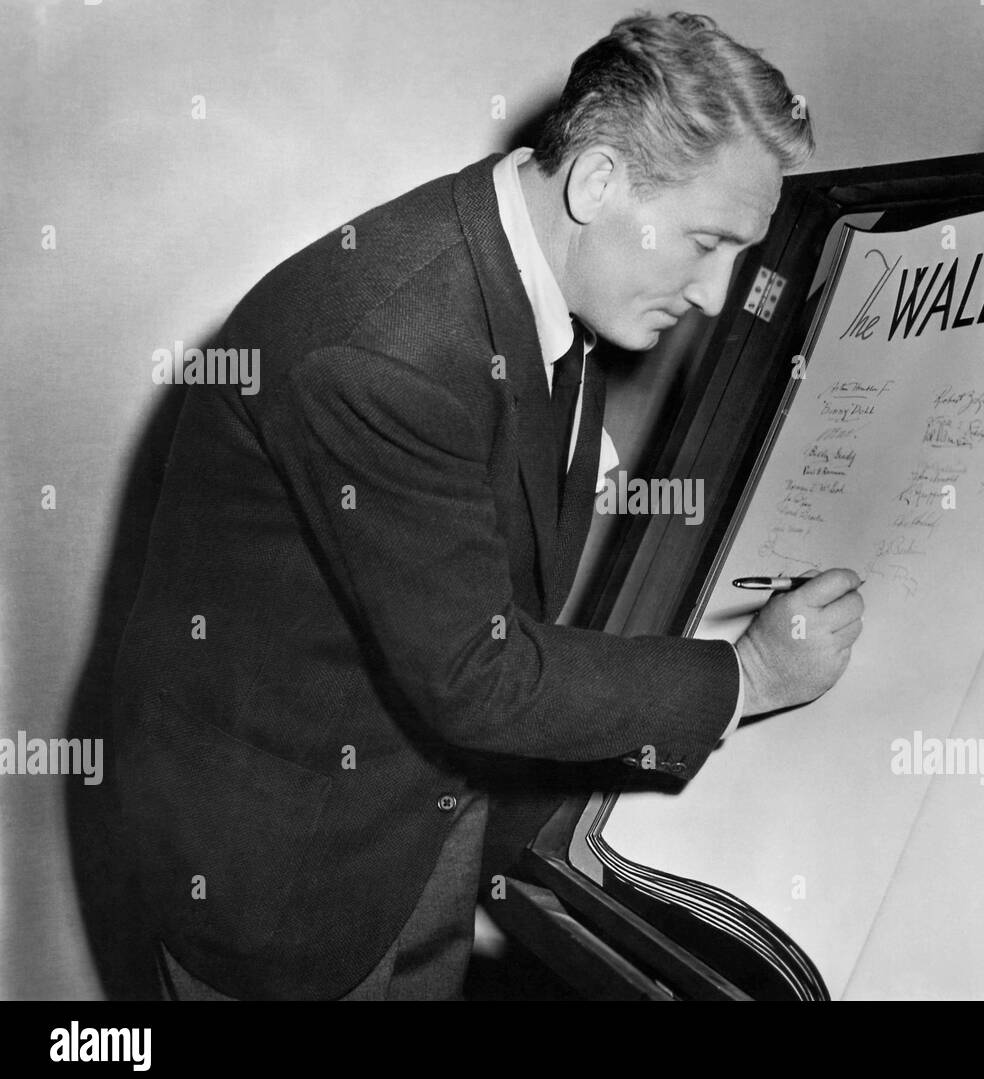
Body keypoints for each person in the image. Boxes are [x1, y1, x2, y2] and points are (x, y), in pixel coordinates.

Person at [112, 10, 864, 1000]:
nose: (720, 294)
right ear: (598, 181)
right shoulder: (385, 352)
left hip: (414, 809)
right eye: (707, 242)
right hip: (288, 868)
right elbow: (476, 673)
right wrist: (751, 674)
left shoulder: (539, 260)